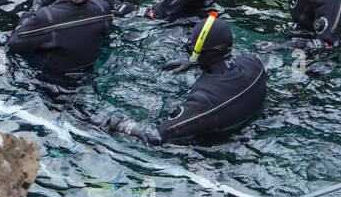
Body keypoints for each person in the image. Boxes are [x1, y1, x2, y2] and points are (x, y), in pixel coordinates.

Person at [99, 13, 266, 146]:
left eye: (193, 49)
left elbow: (156, 136)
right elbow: (228, 60)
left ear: (200, 51)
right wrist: (195, 62)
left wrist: (117, 124)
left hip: (212, 148)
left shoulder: (204, 100)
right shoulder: (254, 64)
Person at [7, 0, 117, 86]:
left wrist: (35, 9)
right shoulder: (102, 8)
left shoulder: (43, 17)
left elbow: (14, 43)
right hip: (90, 80)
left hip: (51, 88)